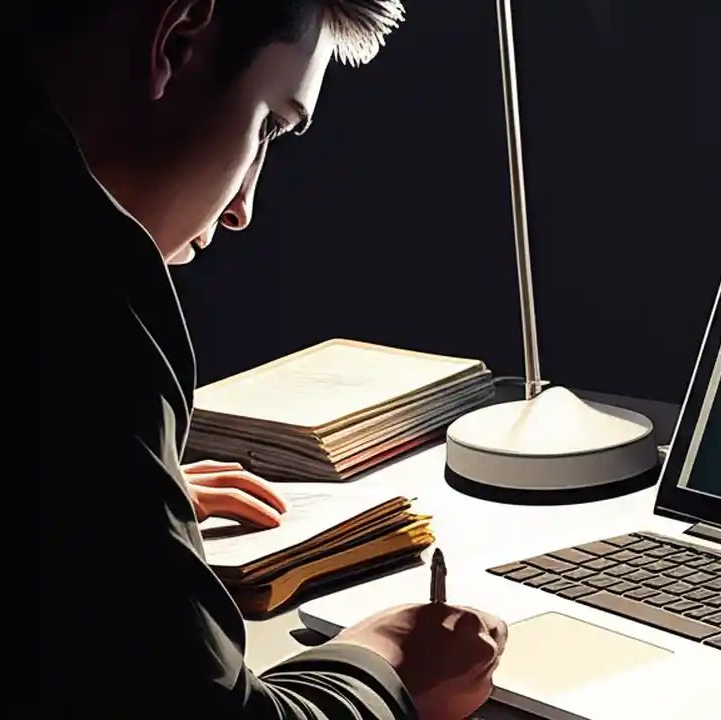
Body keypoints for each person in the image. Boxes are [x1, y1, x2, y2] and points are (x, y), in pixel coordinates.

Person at [28, 1, 508, 718]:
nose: (243, 207)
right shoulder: (70, 294)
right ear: (178, 38)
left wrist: (96, 498)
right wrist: (386, 665)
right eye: (268, 127)